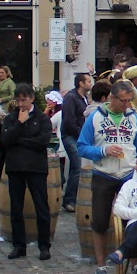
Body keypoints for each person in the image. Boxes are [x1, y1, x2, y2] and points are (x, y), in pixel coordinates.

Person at [78, 80, 137, 274]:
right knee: (100, 221)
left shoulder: (134, 118)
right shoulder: (95, 118)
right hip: (103, 175)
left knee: (133, 220)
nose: (127, 104)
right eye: (123, 101)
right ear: (112, 98)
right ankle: (100, 265)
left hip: (129, 174)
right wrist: (103, 150)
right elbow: (82, 146)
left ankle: (134, 263)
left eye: (129, 100)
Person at [0, 83, 54, 260]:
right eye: (19, 100)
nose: (21, 103)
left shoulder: (42, 118)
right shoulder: (11, 118)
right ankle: (18, 245)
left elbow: (42, 142)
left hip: (36, 168)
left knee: (41, 208)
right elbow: (6, 140)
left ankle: (44, 246)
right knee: (16, 208)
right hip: (16, 167)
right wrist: (19, 124)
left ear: (31, 99)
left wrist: (21, 140)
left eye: (24, 100)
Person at [58, 72, 93, 214]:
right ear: (81, 83)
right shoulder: (71, 98)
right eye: (88, 81)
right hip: (71, 136)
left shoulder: (83, 98)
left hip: (79, 136)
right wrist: (81, 134)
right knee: (77, 165)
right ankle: (69, 200)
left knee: (76, 166)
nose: (90, 84)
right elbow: (69, 121)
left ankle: (74, 197)